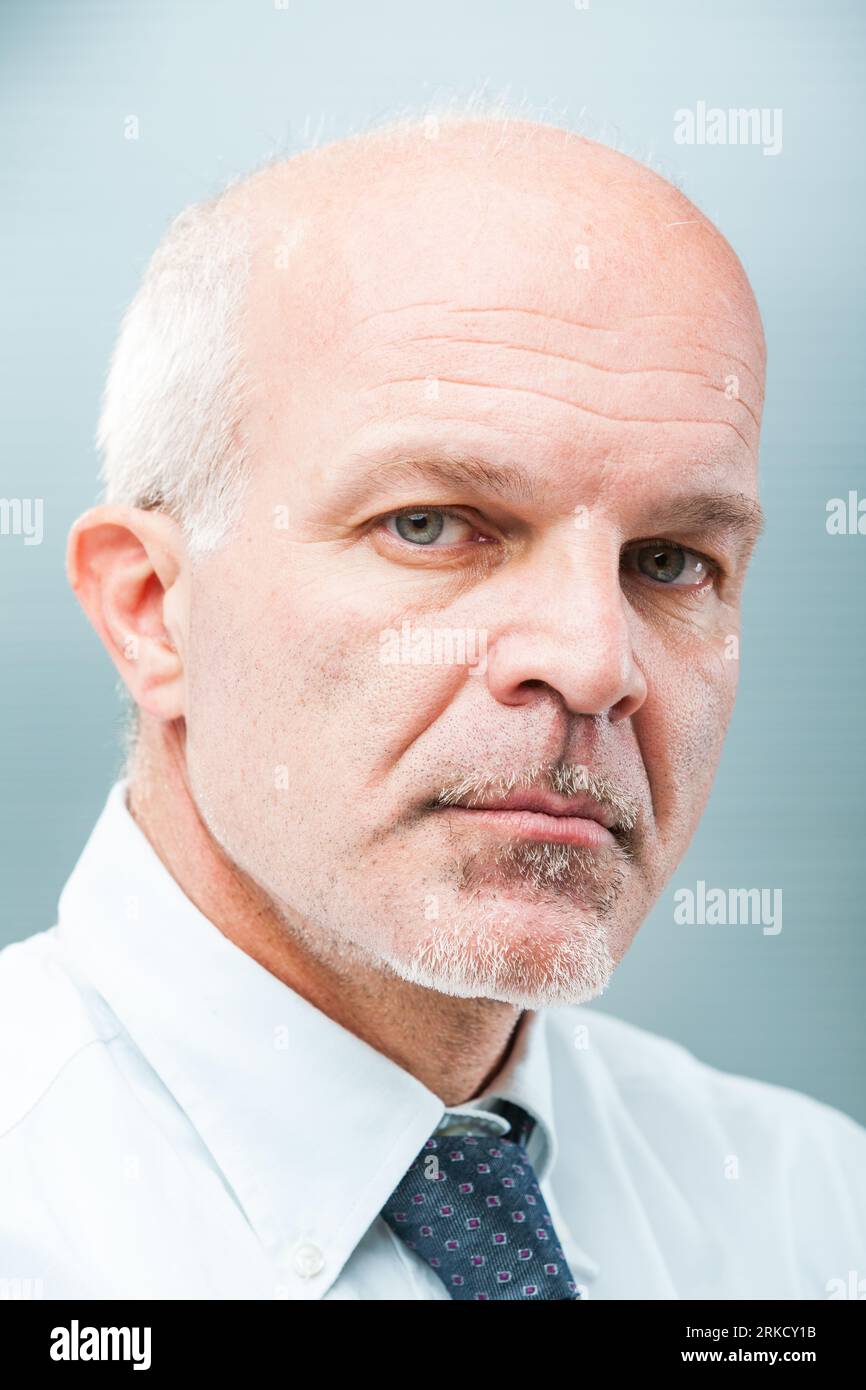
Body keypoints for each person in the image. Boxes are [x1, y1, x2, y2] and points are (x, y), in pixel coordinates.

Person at [1, 110, 863, 1301]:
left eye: (667, 560)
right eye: (431, 525)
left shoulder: (814, 1217)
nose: (593, 661)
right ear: (153, 609)